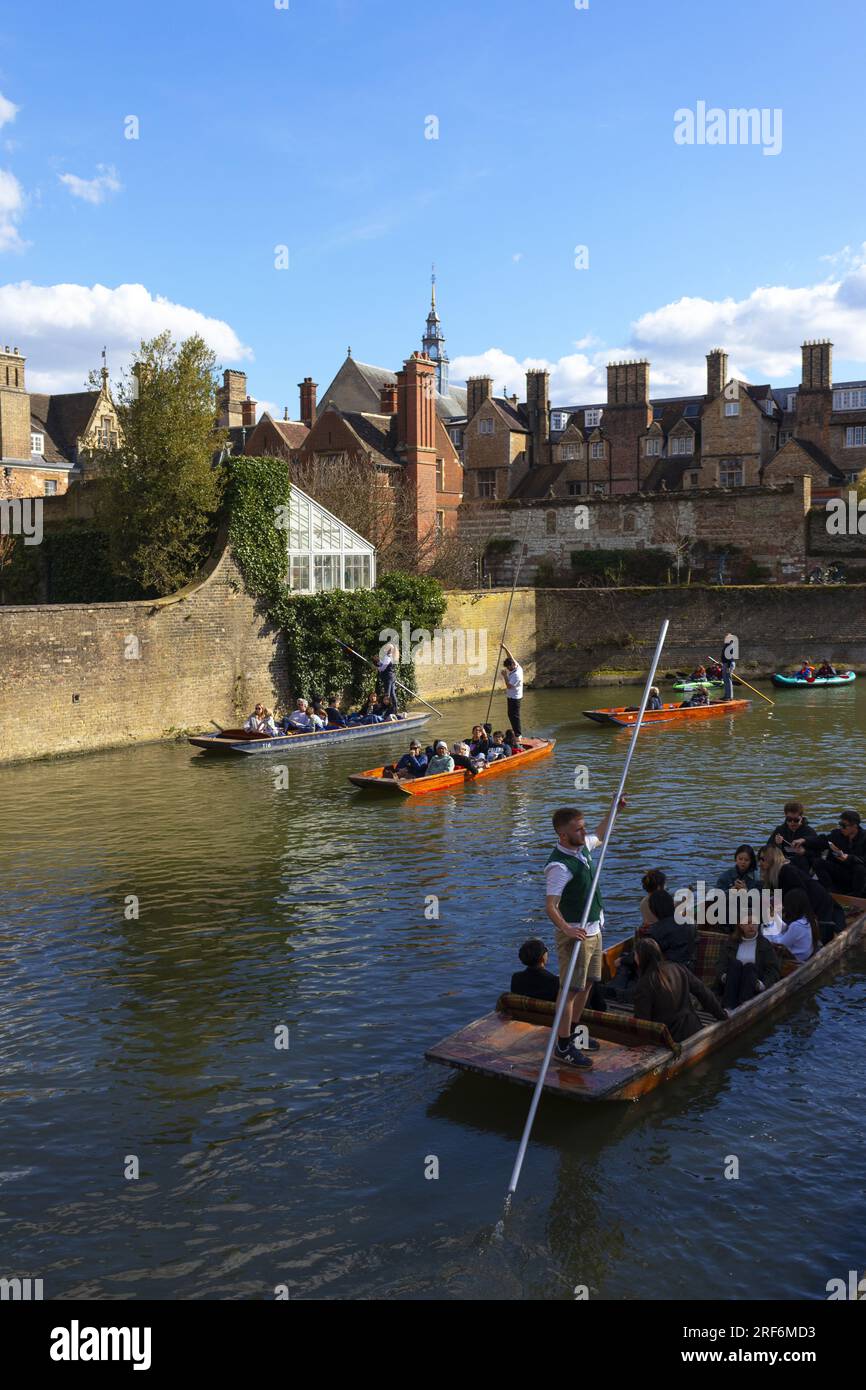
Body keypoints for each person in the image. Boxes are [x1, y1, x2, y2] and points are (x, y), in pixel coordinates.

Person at [545, 799, 627, 1069]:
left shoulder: (583, 849)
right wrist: (567, 928)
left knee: (589, 982)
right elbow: (551, 906)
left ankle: (575, 1032)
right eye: (578, 830)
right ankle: (562, 1045)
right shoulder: (559, 867)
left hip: (594, 928)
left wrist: (613, 809)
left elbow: (601, 835)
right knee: (569, 989)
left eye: (583, 828)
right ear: (563, 835)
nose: (584, 832)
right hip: (575, 934)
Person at [632, 937, 727, 1041]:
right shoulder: (678, 968)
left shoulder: (644, 983)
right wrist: (722, 1015)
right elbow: (704, 993)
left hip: (668, 1038)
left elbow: (642, 1023)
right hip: (693, 1028)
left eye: (635, 955)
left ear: (640, 957)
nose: (635, 958)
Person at [714, 915, 781, 1009]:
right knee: (735, 964)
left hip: (753, 987)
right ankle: (728, 1007)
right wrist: (724, 976)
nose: (751, 926)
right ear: (741, 925)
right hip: (730, 985)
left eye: (754, 923)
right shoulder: (730, 942)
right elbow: (720, 964)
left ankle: (743, 1007)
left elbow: (774, 969)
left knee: (749, 967)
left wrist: (762, 984)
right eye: (747, 923)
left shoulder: (765, 944)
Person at [798, 810, 866, 898]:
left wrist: (849, 858)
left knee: (859, 868)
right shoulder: (836, 834)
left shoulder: (864, 838)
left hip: (856, 875)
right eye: (840, 824)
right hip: (840, 870)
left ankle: (856, 897)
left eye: (844, 826)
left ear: (855, 826)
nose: (841, 828)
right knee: (818, 862)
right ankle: (829, 891)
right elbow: (822, 841)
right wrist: (804, 840)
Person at [641, 888, 696, 967]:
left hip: (669, 973)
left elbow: (647, 957)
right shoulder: (690, 922)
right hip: (690, 967)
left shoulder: (655, 931)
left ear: (653, 910)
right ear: (671, 905)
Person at [763, 888, 819, 962]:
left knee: (765, 933)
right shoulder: (811, 919)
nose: (784, 907)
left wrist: (770, 922)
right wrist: (775, 918)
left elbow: (779, 944)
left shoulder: (797, 926)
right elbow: (788, 930)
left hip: (795, 961)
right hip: (805, 955)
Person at [501, 645, 524, 738]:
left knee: (514, 716)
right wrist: (505, 648)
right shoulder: (516, 665)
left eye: (508, 667)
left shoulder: (517, 674)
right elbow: (510, 657)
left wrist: (505, 675)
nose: (508, 669)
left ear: (512, 665)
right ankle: (516, 733)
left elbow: (509, 686)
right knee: (510, 715)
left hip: (515, 697)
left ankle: (518, 735)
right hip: (511, 696)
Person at [376, 640, 399, 708]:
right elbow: (384, 664)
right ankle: (395, 708)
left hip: (387, 677)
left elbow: (383, 668)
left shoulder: (387, 657)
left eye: (386, 648)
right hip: (391, 677)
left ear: (389, 650)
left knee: (387, 695)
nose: (384, 649)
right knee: (392, 694)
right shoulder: (390, 657)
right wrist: (378, 661)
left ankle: (386, 710)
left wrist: (376, 668)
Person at [721, 635, 736, 701]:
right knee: (725, 680)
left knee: (728, 680)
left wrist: (728, 666)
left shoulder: (730, 646)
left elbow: (730, 657)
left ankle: (729, 697)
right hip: (726, 664)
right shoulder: (727, 645)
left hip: (728, 664)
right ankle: (726, 696)